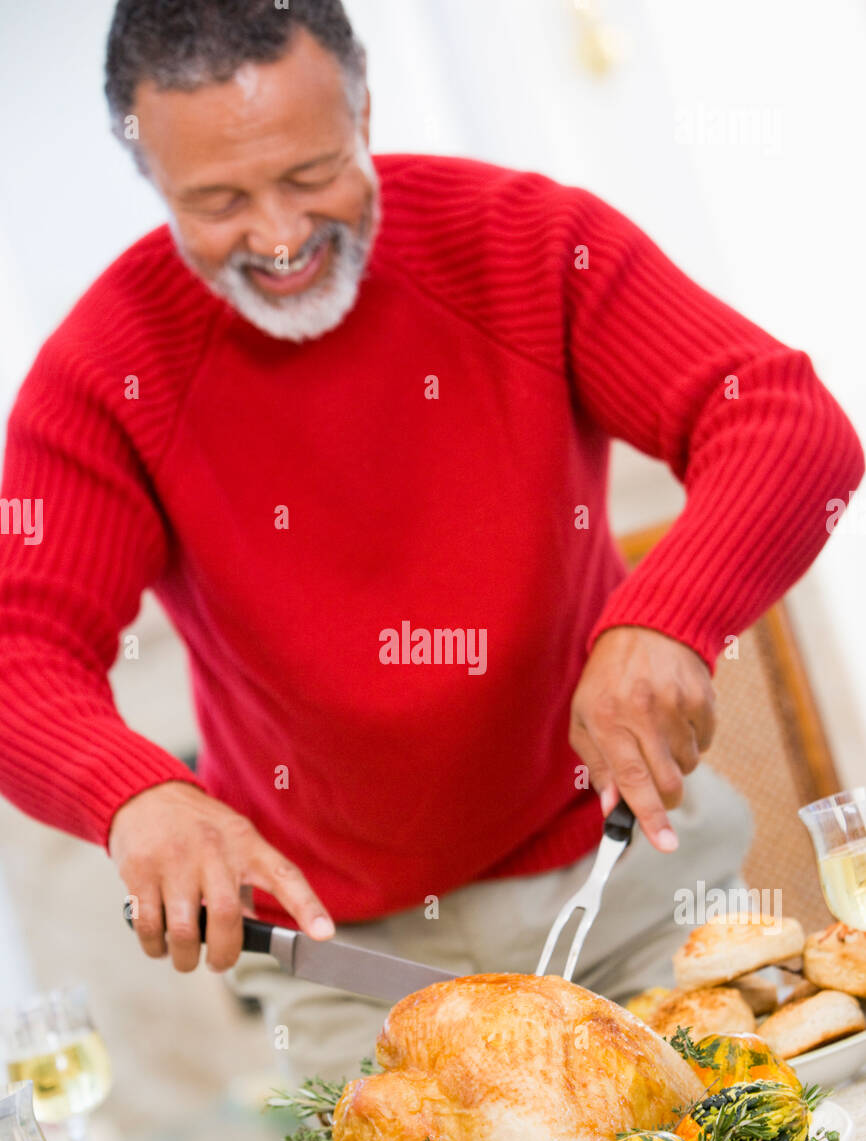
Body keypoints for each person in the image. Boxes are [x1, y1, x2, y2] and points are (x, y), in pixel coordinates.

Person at [0, 1, 861, 1083]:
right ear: (147, 169)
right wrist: (131, 791)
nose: (275, 236)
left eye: (311, 174)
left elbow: (781, 418)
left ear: (362, 102)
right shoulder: (102, 372)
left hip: (625, 900)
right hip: (347, 977)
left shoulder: (525, 239)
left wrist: (667, 614)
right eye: (215, 201)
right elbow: (18, 647)